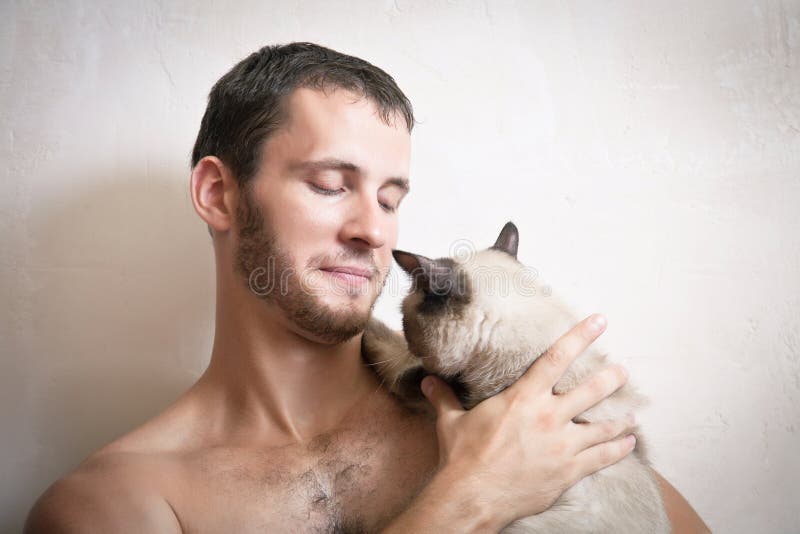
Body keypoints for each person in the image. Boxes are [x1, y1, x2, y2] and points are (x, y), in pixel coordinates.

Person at [25, 42, 708, 533]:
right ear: (218, 195)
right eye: (330, 185)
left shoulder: (516, 419)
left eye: (390, 199)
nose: (372, 231)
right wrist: (467, 502)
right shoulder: (118, 502)